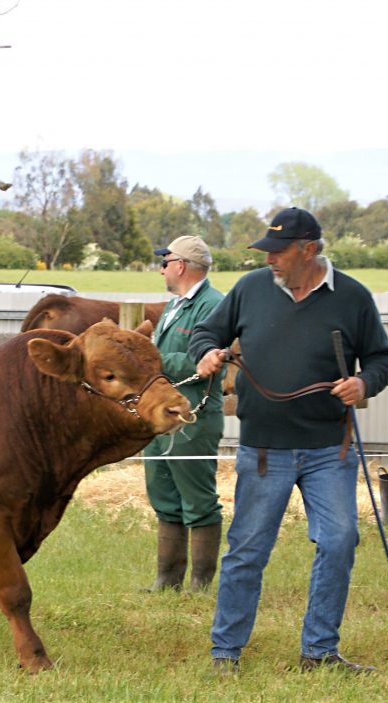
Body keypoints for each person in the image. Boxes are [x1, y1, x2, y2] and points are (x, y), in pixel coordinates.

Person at [189, 207, 388, 675]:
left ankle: (319, 652)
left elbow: (383, 359)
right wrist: (208, 352)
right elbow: (207, 332)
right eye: (267, 251)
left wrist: (363, 383)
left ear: (310, 250)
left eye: (279, 252)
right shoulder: (250, 289)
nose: (270, 259)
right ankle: (225, 653)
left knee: (340, 541)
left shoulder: (353, 297)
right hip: (264, 449)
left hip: (330, 449)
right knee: (247, 550)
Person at [143, 235, 225, 592]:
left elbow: (205, 361)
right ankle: (167, 580)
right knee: (163, 494)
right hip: (161, 416)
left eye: (165, 262)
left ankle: (200, 585)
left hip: (193, 416)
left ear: (180, 265)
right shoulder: (175, 305)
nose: (161, 269)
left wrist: (151, 359)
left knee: (198, 500)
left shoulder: (214, 306)